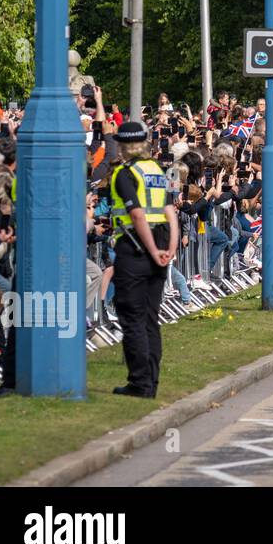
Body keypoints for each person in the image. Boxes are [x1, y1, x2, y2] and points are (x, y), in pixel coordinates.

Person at [109, 121, 179, 398]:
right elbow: (170, 211)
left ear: (123, 146)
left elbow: (136, 215)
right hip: (161, 244)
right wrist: (169, 248)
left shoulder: (125, 174)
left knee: (133, 317)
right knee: (151, 317)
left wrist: (151, 250)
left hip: (135, 248)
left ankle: (140, 383)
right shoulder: (157, 171)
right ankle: (152, 381)